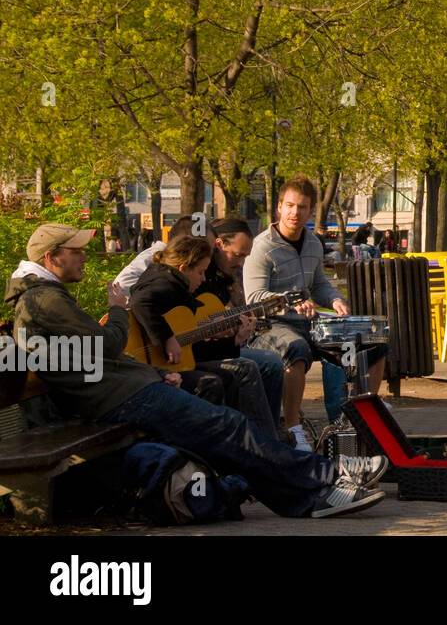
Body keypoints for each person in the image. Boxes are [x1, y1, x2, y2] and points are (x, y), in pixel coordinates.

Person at [5, 223, 386, 518]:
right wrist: (117, 308)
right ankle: (328, 476)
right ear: (53, 257)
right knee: (227, 428)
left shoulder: (45, 296)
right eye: (77, 252)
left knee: (223, 436)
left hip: (128, 390)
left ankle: (310, 499)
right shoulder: (43, 299)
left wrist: (156, 374)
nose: (85, 257)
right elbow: (107, 346)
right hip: (121, 399)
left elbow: (93, 359)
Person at [244, 176, 388, 451]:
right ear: (279, 208)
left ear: (311, 212)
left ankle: (359, 421)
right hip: (270, 325)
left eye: (302, 207)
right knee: (296, 350)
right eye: (289, 205)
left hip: (310, 322)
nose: (294, 212)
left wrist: (335, 301)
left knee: (374, 345)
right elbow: (253, 298)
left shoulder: (313, 243)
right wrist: (289, 302)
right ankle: (293, 428)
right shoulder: (261, 246)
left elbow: (320, 284)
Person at [128, 236, 278, 439]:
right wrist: (168, 338)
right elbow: (141, 302)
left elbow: (191, 350)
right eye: (200, 272)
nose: (203, 279)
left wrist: (234, 341)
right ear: (183, 268)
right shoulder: (165, 282)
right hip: (151, 369)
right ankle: (262, 443)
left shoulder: (174, 287)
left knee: (244, 368)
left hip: (175, 365)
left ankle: (254, 440)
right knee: (231, 374)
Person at [199, 216, 285, 427]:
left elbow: (220, 327)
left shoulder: (226, 277)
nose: (241, 263)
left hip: (208, 348)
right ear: (218, 244)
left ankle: (265, 434)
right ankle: (266, 439)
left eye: (246, 256)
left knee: (271, 361)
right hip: (192, 351)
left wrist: (237, 333)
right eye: (238, 255)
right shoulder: (198, 272)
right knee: (267, 363)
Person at [113, 215, 215, 296]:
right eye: (205, 247)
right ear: (188, 240)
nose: (209, 254)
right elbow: (121, 285)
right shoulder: (153, 257)